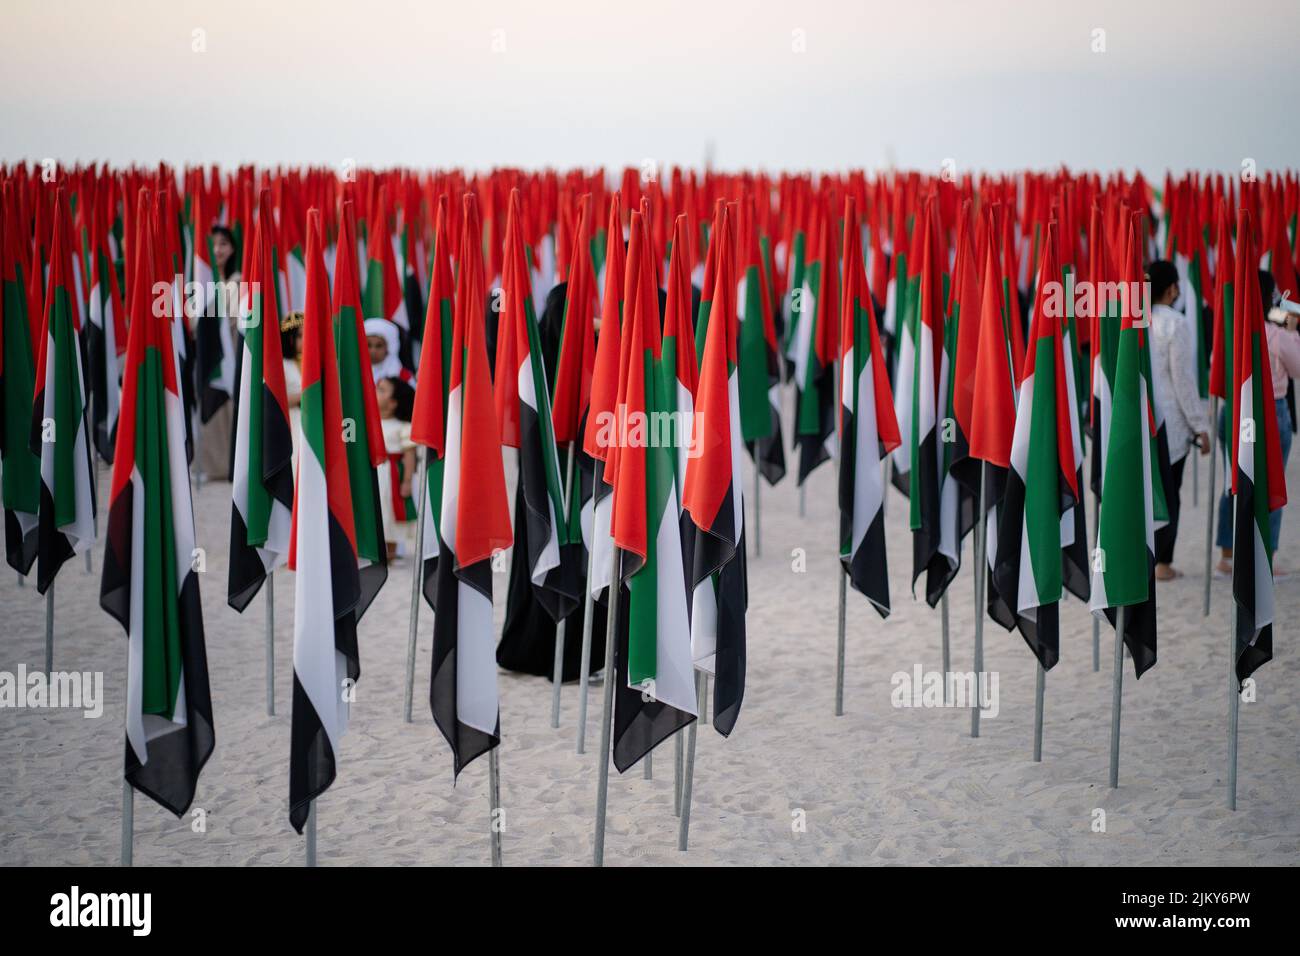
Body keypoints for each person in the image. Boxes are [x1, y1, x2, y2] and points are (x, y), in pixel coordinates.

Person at [1217, 270, 1300, 574]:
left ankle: (1227, 552)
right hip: (1271, 411)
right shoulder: (1276, 334)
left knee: (1234, 479)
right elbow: (1298, 367)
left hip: (1234, 408)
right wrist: (1291, 331)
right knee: (1270, 484)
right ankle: (1267, 556)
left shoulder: (1232, 329)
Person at [1148, 259, 1209, 580]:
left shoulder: (1133, 318)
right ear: (1171, 288)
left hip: (1141, 420)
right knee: (1170, 493)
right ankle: (1162, 562)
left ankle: (1147, 556)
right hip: (1170, 421)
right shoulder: (1176, 323)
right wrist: (1201, 425)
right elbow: (1184, 380)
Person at [196, 224, 239, 480]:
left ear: (232, 248)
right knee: (210, 411)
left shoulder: (237, 281)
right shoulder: (198, 281)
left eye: (223, 243)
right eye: (214, 243)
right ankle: (211, 466)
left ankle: (229, 464)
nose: (218, 249)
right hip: (208, 358)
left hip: (231, 355)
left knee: (230, 411)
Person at [375, 375, 417, 560]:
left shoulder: (403, 426)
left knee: (389, 511)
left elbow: (409, 455)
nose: (375, 391)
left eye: (382, 390)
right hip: (374, 472)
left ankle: (390, 550)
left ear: (392, 403)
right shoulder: (370, 423)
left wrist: (407, 481)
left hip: (391, 474)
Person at [364, 317, 413, 384]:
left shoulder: (402, 376)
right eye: (368, 345)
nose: (373, 351)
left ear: (389, 348)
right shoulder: (355, 372)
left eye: (379, 346)